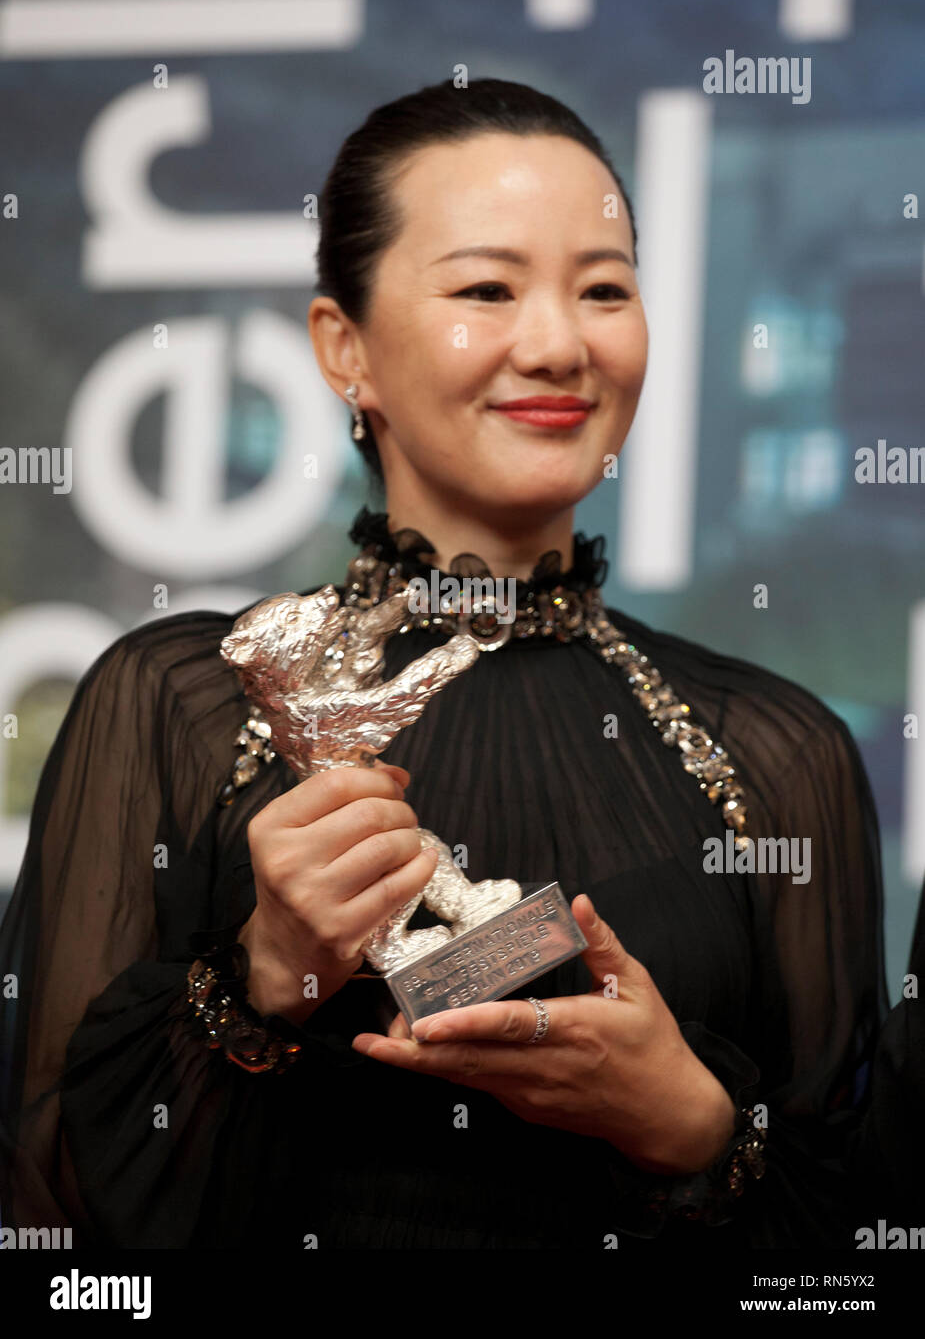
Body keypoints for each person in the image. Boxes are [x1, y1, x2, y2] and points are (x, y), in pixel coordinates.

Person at [0, 77, 889, 1249]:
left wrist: (692, 1125)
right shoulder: (184, 699)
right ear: (344, 348)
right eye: (486, 287)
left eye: (604, 290)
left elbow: (863, 1253)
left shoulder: (776, 751)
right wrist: (264, 974)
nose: (560, 342)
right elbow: (49, 1217)